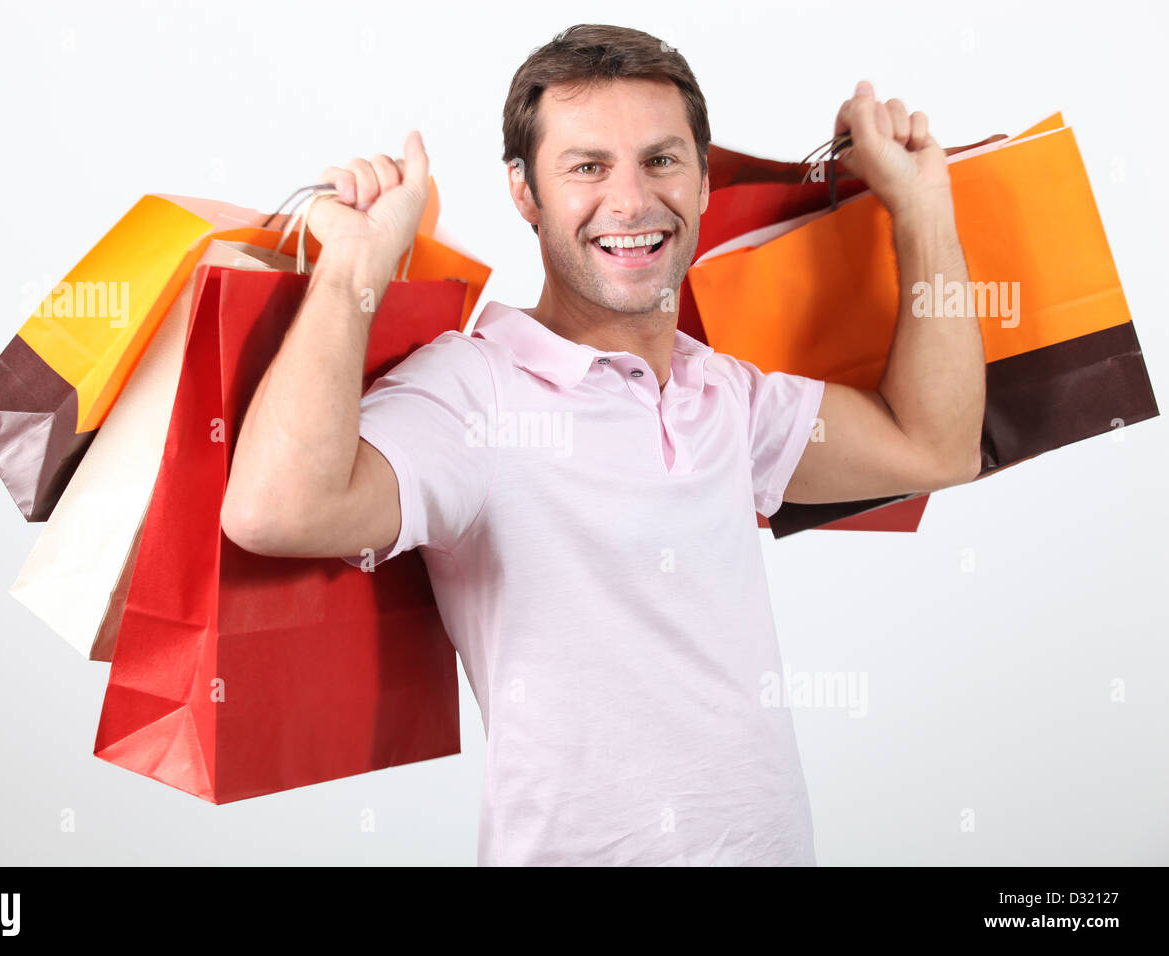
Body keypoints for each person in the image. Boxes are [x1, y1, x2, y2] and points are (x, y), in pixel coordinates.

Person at [220, 23, 985, 866]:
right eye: (587, 167)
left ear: (701, 179)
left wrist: (922, 208)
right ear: (524, 191)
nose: (629, 202)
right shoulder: (477, 390)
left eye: (661, 161)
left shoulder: (723, 394)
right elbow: (278, 509)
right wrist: (355, 266)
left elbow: (934, 447)